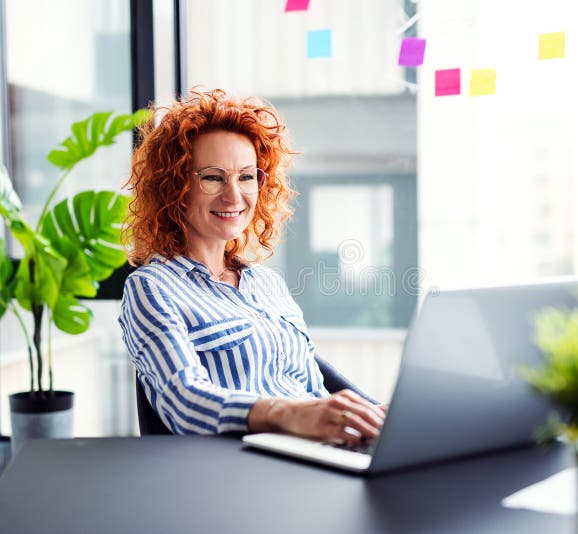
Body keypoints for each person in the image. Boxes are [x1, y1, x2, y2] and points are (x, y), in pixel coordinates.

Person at [119, 88, 384, 445]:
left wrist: (374, 422)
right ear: (175, 187)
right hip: (243, 471)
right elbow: (183, 399)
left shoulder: (267, 284)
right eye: (212, 177)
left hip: (320, 455)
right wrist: (287, 414)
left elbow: (313, 388)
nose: (234, 195)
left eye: (246, 177)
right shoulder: (152, 288)